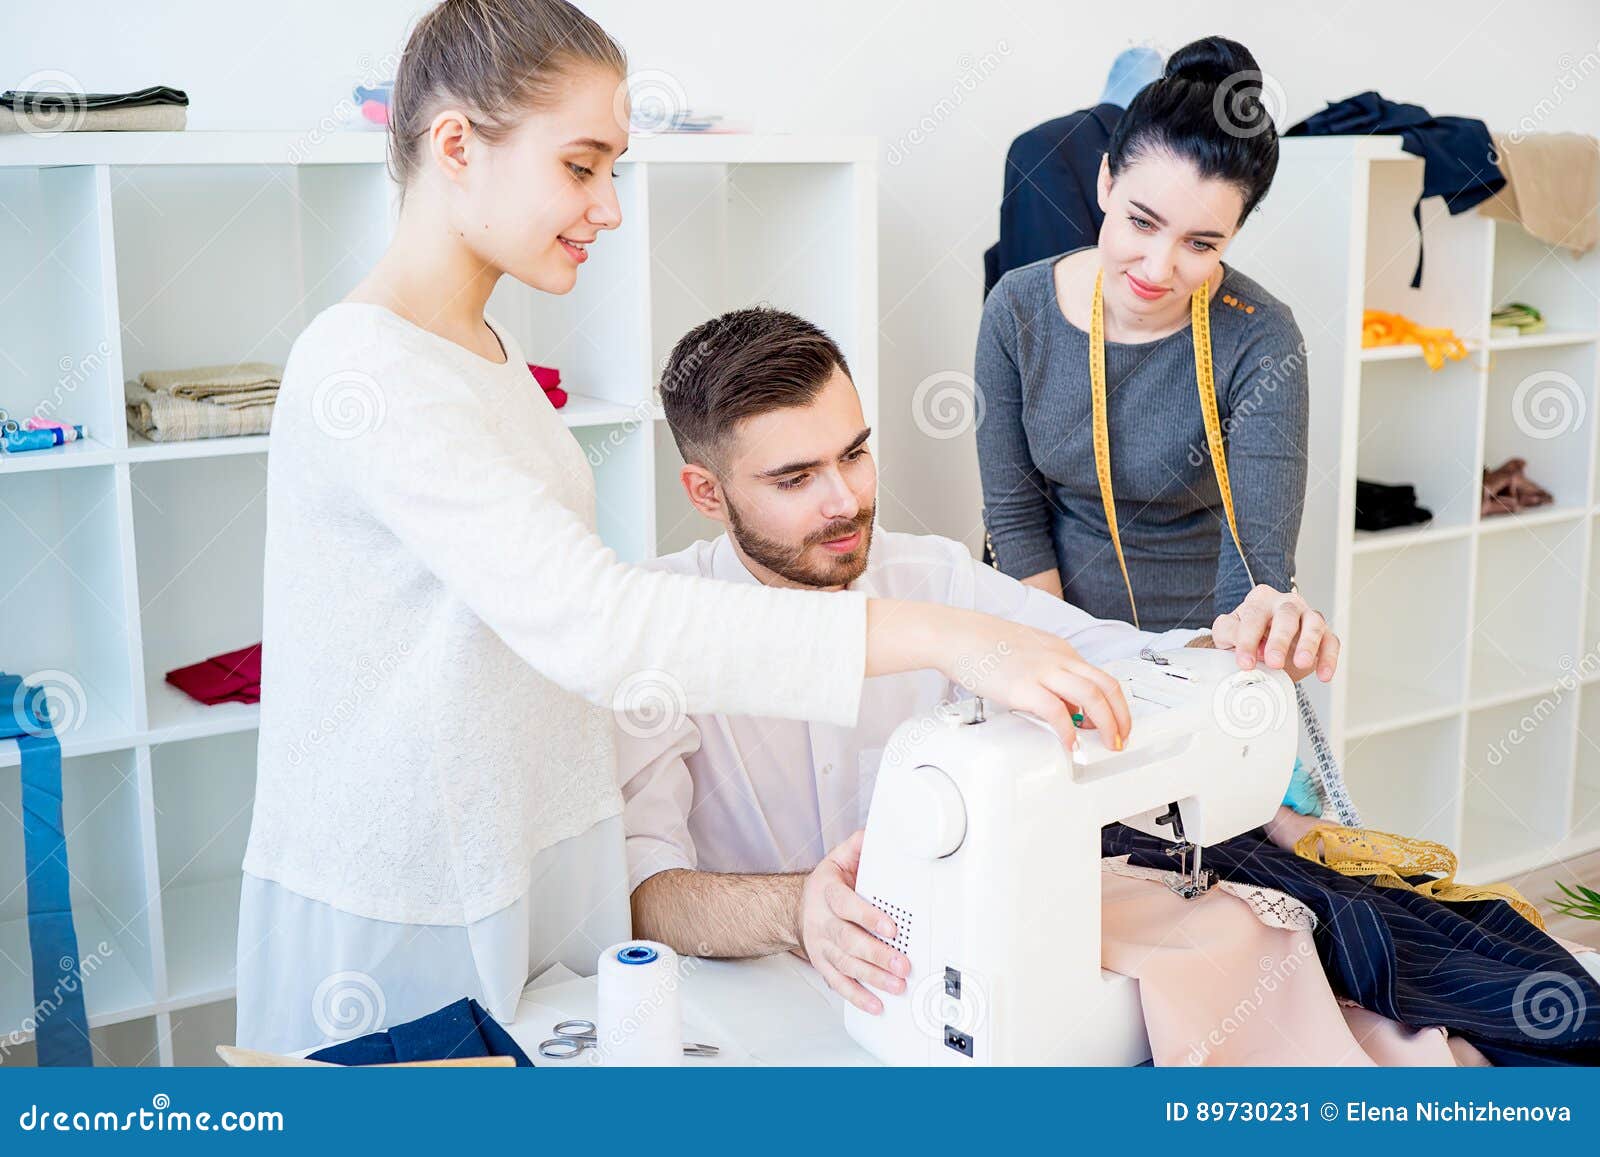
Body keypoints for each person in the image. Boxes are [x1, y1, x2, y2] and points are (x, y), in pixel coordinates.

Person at [235, 0, 1135, 1055]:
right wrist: (944, 634)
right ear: (456, 146)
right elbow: (598, 621)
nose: (607, 207)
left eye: (611, 169)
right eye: (581, 166)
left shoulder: (486, 356)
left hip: (520, 878)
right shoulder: (366, 368)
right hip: (407, 906)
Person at [623, 305, 1337, 1019]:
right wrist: (796, 908)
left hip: (934, 993)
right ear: (706, 492)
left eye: (854, 454)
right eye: (794, 479)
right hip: (747, 1012)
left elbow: (1116, 657)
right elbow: (645, 896)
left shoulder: (932, 577)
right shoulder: (656, 627)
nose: (845, 500)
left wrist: (1244, 642)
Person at [977, 36, 1315, 637]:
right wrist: (1070, 655)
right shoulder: (1018, 309)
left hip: (1206, 644)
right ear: (1106, 181)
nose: (1158, 270)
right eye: (1141, 222)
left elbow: (1255, 564)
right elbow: (1015, 518)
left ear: (1234, 234)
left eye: (1201, 244)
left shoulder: (1261, 338)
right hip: (1051, 632)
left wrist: (1213, 670)